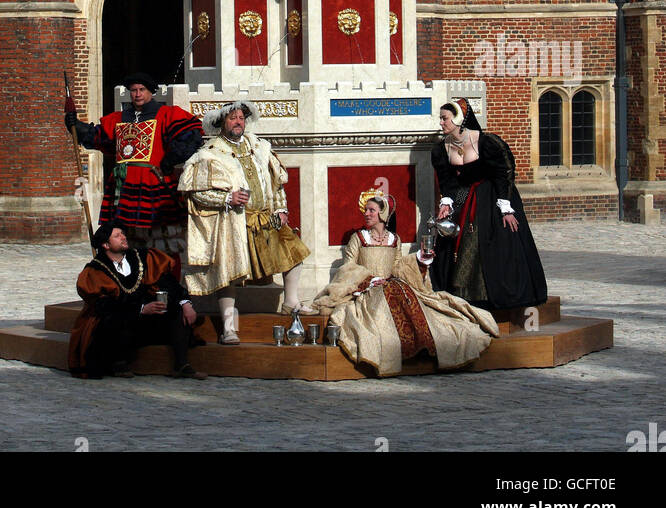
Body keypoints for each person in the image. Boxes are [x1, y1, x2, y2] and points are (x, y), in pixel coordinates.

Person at [313, 190, 499, 377]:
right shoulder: (359, 239)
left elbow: (398, 267)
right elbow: (348, 267)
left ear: (382, 214)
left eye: (371, 210)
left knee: (412, 303)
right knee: (381, 311)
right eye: (366, 210)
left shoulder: (395, 240)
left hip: (393, 285)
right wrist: (369, 279)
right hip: (369, 289)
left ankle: (423, 344)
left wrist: (420, 260)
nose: (366, 214)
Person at [178, 100, 311, 344]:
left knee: (294, 253)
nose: (238, 122)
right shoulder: (209, 155)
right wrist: (227, 198)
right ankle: (229, 328)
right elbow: (196, 192)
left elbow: (276, 181)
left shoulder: (259, 147)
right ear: (221, 124)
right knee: (229, 273)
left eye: (241, 118)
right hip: (234, 223)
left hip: (265, 218)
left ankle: (291, 302)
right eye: (233, 118)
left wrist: (281, 207)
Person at [430, 98, 548, 311]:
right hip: (463, 195)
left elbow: (503, 173)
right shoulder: (442, 149)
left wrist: (505, 207)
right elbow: (447, 180)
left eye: (445, 118)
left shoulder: (486, 142)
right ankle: (461, 294)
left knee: (487, 241)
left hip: (491, 195)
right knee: (455, 239)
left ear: (458, 119)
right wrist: (446, 201)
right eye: (441, 118)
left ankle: (487, 295)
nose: (441, 123)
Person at [65, 73, 204, 237]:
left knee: (158, 233)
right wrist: (75, 125)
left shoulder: (167, 114)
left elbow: (192, 136)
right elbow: (96, 137)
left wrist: (169, 160)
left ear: (150, 92)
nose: (137, 94)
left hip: (153, 182)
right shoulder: (119, 118)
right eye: (133, 90)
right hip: (121, 186)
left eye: (141, 89)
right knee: (122, 232)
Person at [68, 219, 206, 379]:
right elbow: (104, 306)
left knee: (177, 311)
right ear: (106, 245)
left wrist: (186, 303)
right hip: (117, 326)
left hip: (146, 323)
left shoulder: (141, 257)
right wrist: (140, 309)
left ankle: (182, 365)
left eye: (123, 234)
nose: (124, 237)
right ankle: (118, 361)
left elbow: (167, 282)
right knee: (115, 319)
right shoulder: (96, 270)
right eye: (117, 236)